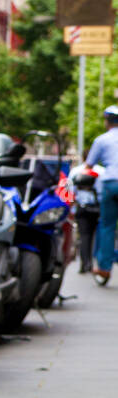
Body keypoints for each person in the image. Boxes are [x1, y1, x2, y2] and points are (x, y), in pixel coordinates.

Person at [85, 105, 118, 285]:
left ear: (107, 121)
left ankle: (104, 268)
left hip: (111, 183)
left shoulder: (101, 140)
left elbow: (89, 166)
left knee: (107, 226)